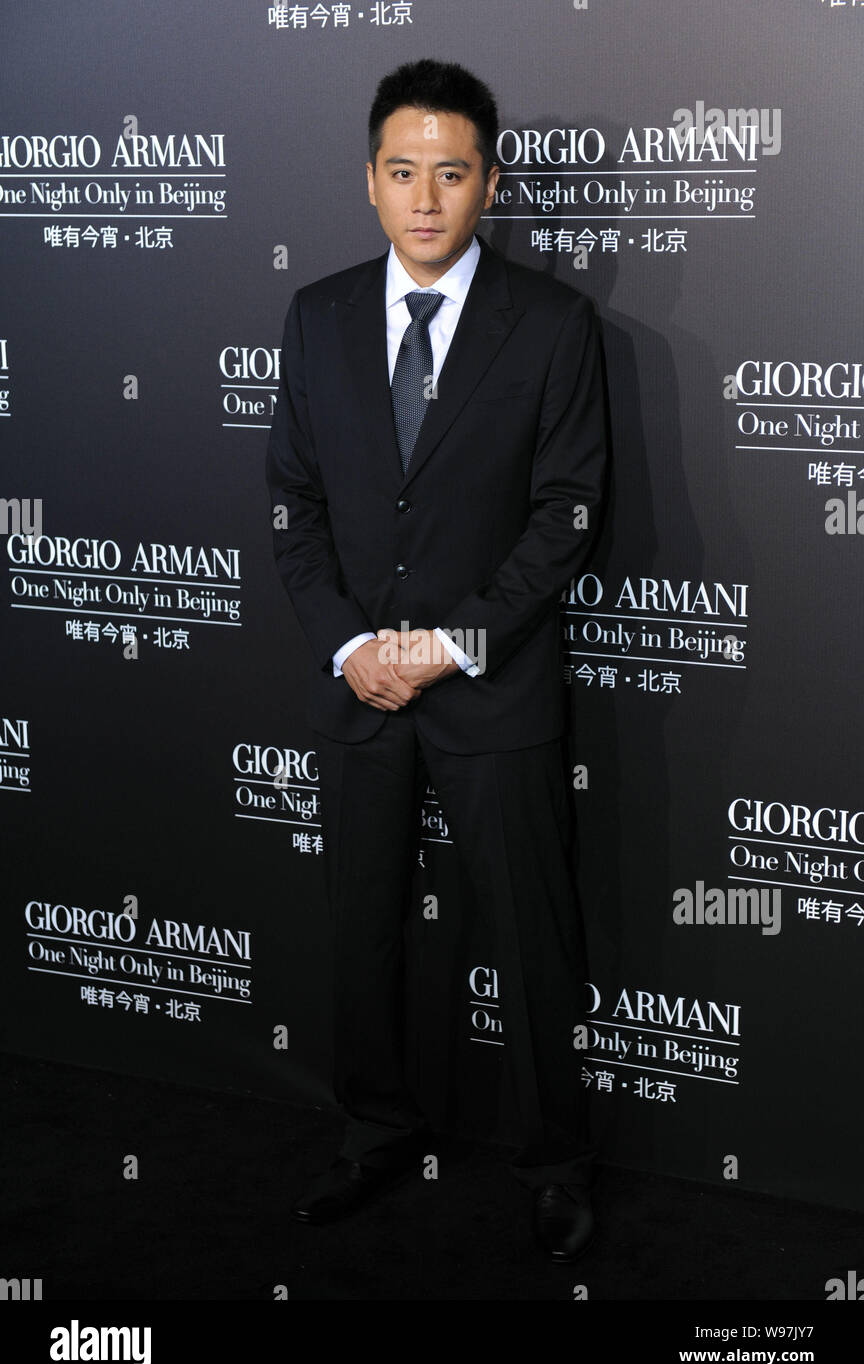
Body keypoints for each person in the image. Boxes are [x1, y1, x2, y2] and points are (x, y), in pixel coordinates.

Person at [265, 57, 608, 1262]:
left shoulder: (554, 325)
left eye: (450, 174)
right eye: (403, 173)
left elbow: (567, 513)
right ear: (370, 182)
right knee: (364, 932)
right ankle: (371, 1139)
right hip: (362, 689)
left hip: (496, 693)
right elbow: (292, 506)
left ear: (488, 184)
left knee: (533, 941)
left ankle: (556, 1163)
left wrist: (453, 643)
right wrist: (355, 646)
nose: (426, 198)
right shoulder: (315, 316)